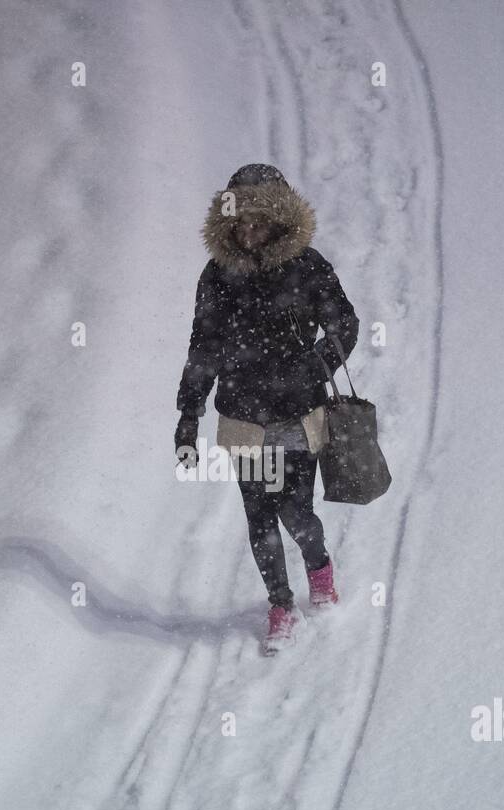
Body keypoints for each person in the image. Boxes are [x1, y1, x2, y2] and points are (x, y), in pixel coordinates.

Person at [175, 164, 359, 653]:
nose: (247, 231)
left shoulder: (308, 267)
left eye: (258, 220)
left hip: (298, 416)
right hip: (242, 419)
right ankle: (281, 606)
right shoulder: (218, 275)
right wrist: (188, 417)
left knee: (295, 512)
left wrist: (318, 366)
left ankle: (319, 569)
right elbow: (203, 349)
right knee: (259, 519)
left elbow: (345, 324)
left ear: (278, 220)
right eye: (239, 221)